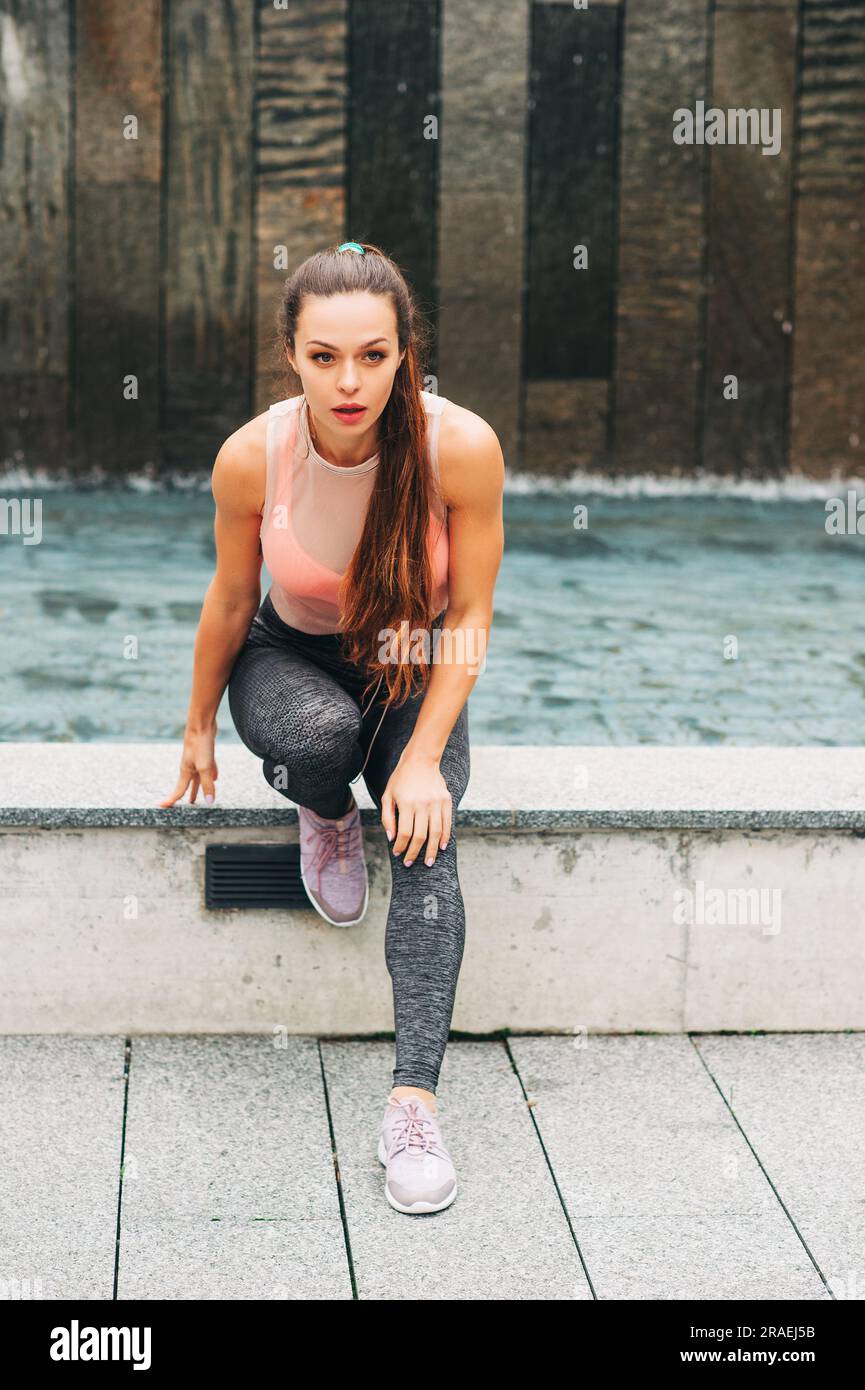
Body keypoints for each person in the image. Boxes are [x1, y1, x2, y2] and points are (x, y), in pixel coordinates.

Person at [159, 240, 504, 1214]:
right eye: (324, 357)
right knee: (319, 740)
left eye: (372, 355)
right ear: (290, 355)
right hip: (290, 657)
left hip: (412, 664)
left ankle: (412, 1104)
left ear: (405, 353)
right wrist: (196, 726)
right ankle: (324, 812)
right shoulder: (251, 455)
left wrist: (426, 756)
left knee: (426, 840)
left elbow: (469, 616)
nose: (349, 382)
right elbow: (231, 599)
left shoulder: (458, 447)